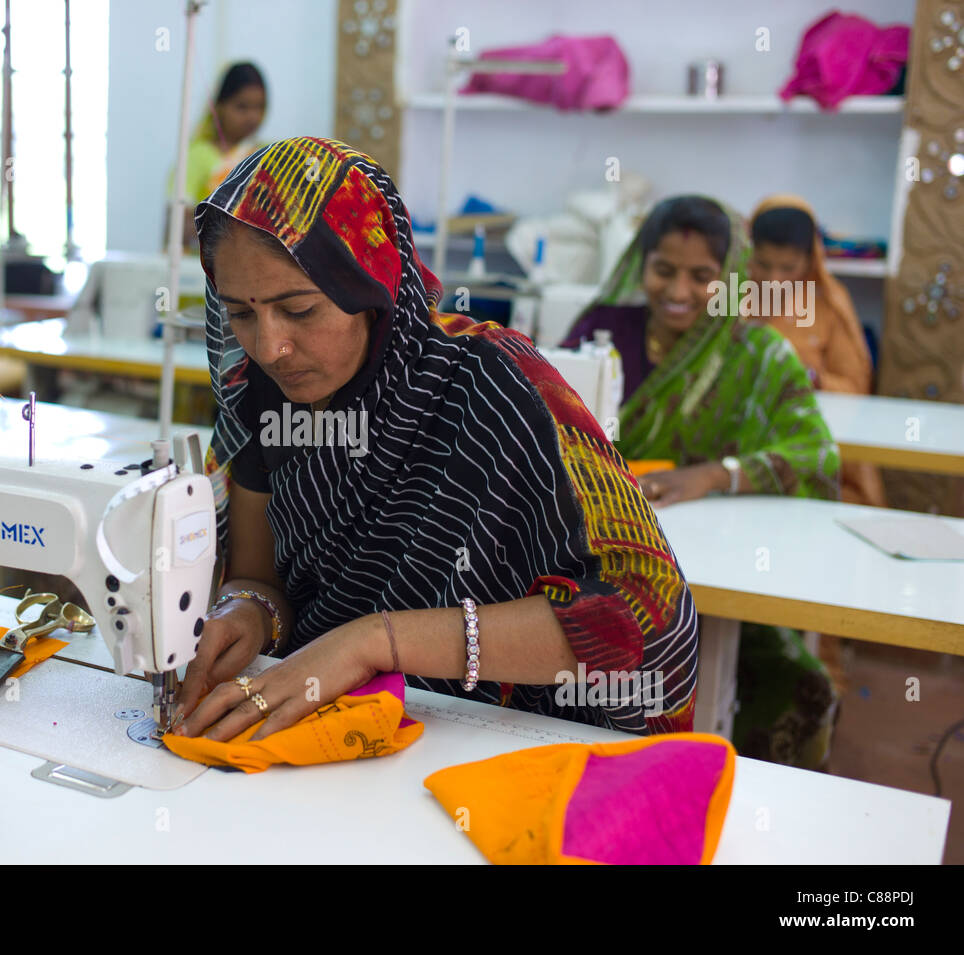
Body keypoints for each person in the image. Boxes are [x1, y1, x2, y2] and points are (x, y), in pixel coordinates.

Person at [172, 137, 698, 746]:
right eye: (240, 313)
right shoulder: (263, 393)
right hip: (335, 727)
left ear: (368, 282)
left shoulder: (494, 385)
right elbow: (261, 580)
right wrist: (246, 612)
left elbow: (647, 619)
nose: (269, 348)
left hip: (499, 738)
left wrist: (374, 641)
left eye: (301, 310)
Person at [560, 195, 842, 769]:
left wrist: (716, 475)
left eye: (702, 276)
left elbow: (816, 455)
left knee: (793, 684)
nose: (679, 290)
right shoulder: (602, 328)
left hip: (717, 571)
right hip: (595, 561)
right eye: (664, 270)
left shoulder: (758, 356)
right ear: (641, 266)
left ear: (730, 276)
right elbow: (545, 420)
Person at [747, 194, 886, 507]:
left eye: (788, 267)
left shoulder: (830, 304)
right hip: (741, 438)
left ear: (811, 259)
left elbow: (855, 389)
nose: (774, 280)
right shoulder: (731, 296)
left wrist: (812, 379)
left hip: (815, 439)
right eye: (764, 264)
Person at [166, 62, 267, 250]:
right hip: (201, 270)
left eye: (259, 107)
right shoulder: (196, 157)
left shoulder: (265, 156)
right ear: (219, 107)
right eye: (242, 107)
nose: (253, 117)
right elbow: (176, 227)